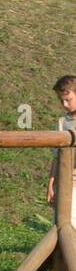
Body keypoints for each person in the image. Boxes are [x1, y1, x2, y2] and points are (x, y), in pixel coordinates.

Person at [48, 76, 76, 226]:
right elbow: (57, 156)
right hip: (66, 179)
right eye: (61, 101)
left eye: (68, 99)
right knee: (62, 221)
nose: (65, 104)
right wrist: (51, 183)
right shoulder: (62, 122)